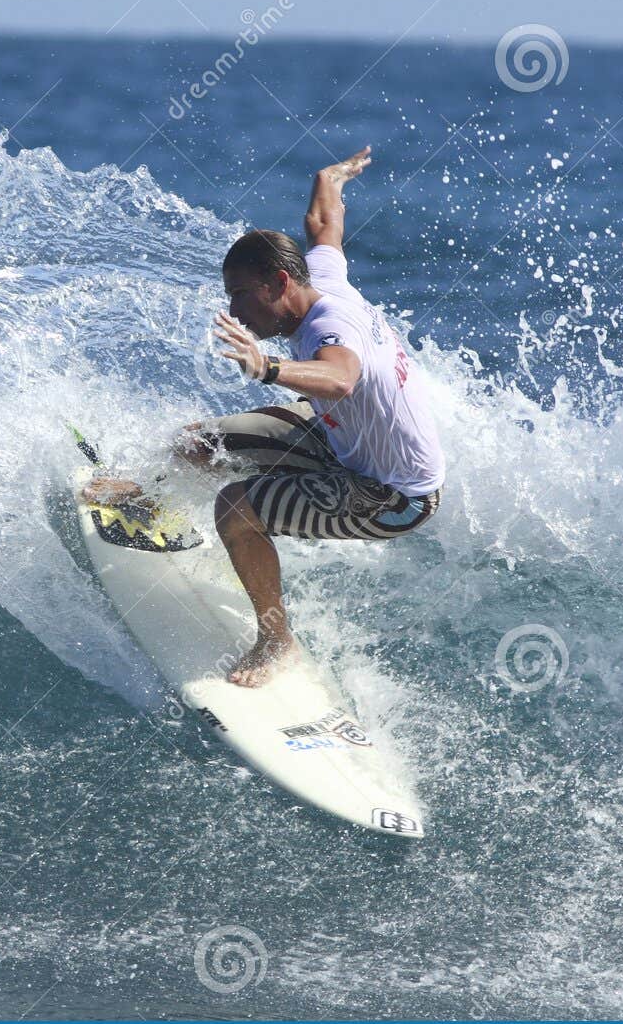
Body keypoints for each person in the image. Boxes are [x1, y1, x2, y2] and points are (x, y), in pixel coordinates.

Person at [84, 147, 446, 687]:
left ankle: (277, 642)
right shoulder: (321, 277)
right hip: (344, 436)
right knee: (201, 442)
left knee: (237, 507)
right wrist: (330, 178)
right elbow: (323, 226)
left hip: (393, 494)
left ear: (279, 283)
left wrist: (268, 367)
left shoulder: (329, 328)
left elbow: (340, 378)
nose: (234, 311)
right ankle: (151, 495)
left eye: (241, 295)